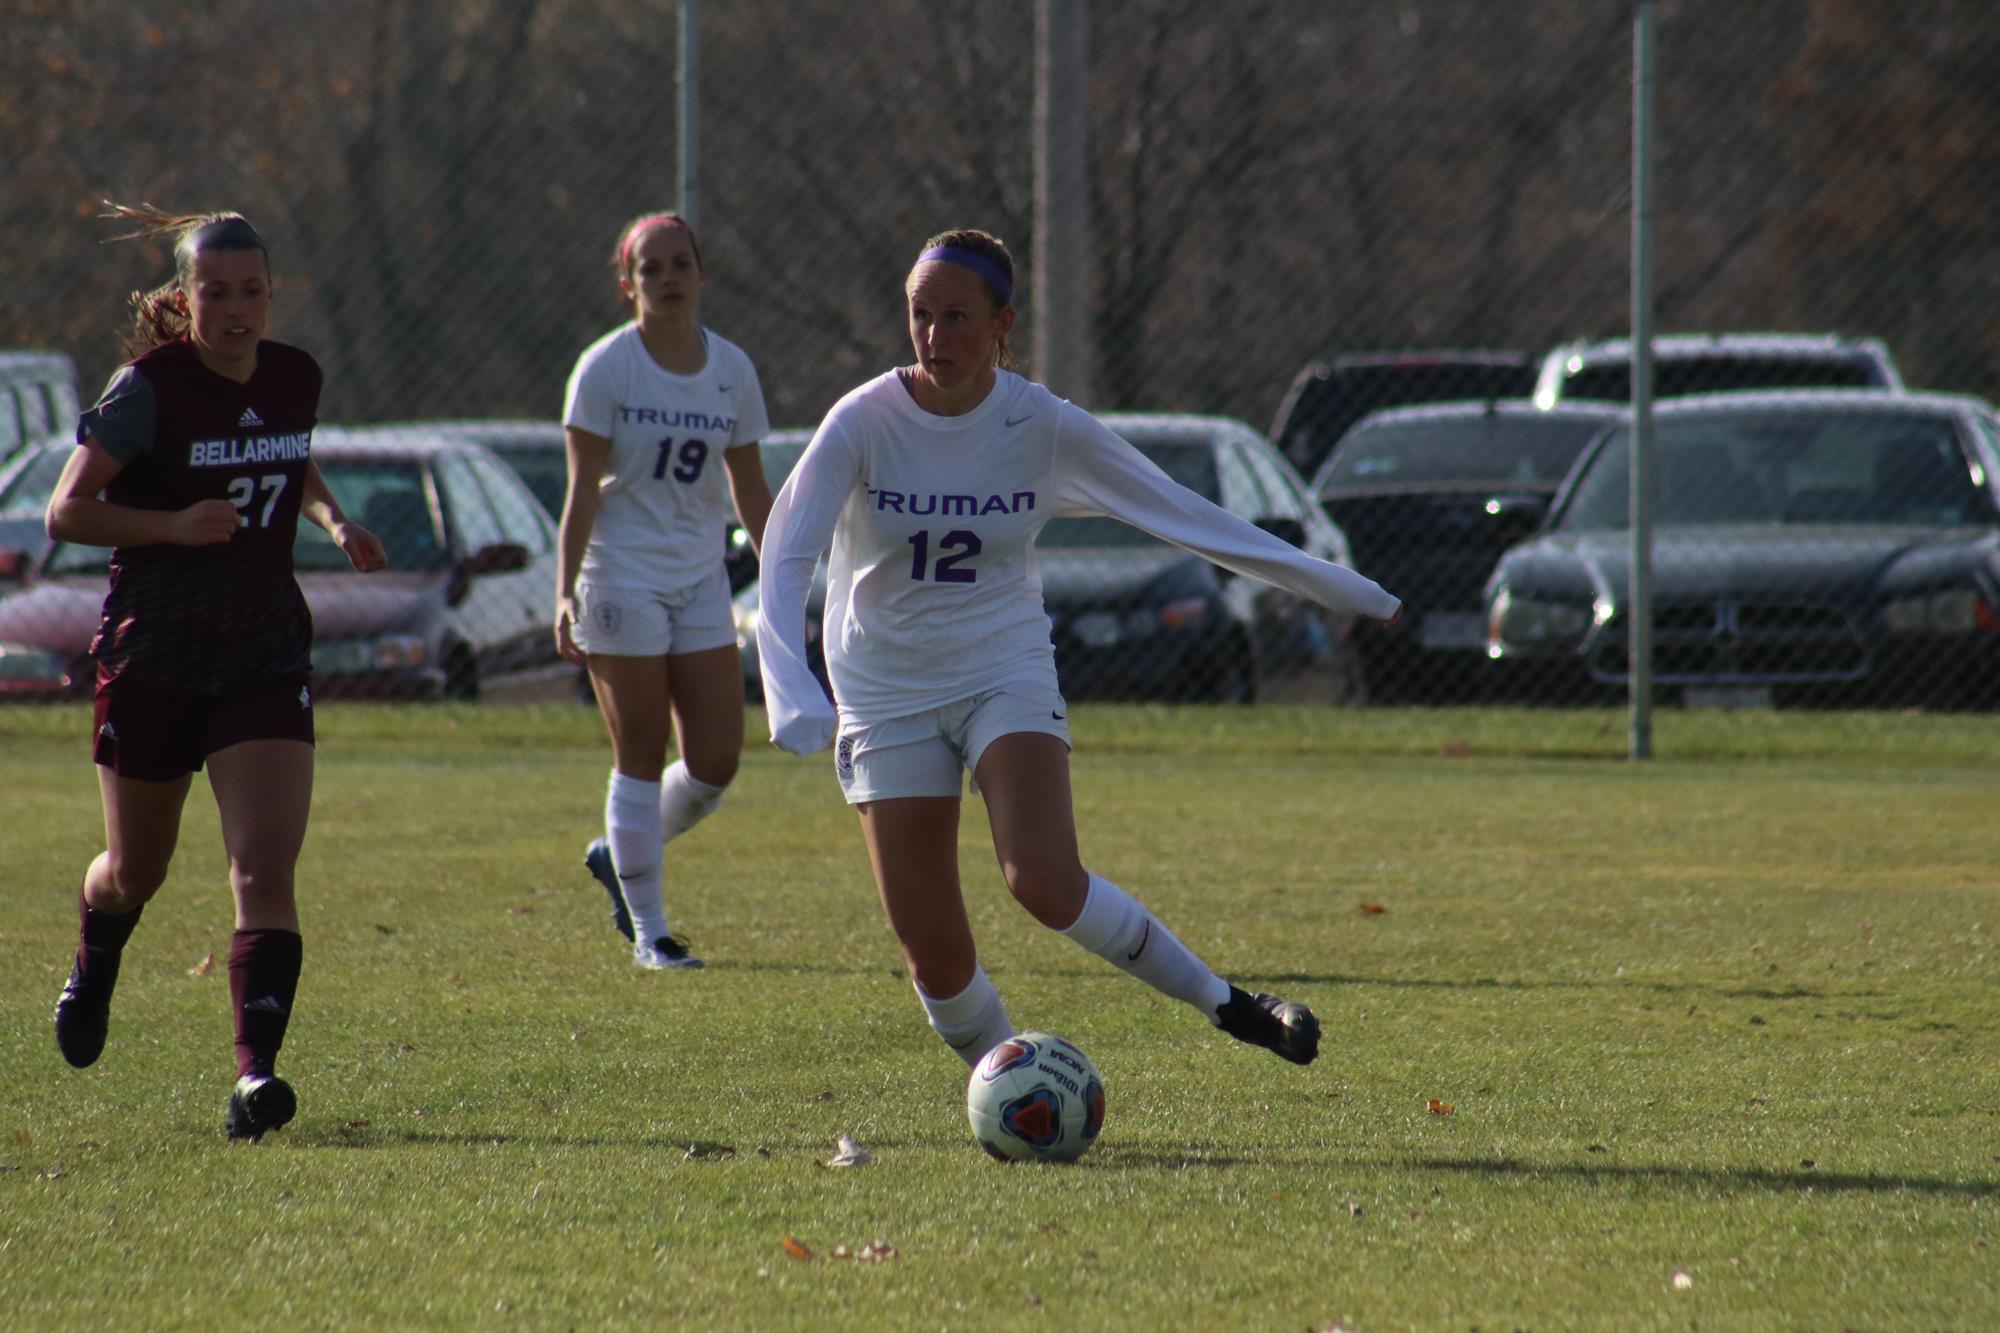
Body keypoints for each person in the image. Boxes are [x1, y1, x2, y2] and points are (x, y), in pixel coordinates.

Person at [756, 229, 1404, 1072]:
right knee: (938, 960)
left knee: (1044, 879)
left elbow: (1184, 513)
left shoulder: (1040, 425)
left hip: (1002, 666)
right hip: (885, 688)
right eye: (921, 316)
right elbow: (785, 550)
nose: (935, 337)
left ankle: (1232, 1005)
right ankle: (1016, 1085)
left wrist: (1342, 585)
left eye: (958, 317)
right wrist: (789, 686)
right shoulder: (863, 420)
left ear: (1002, 325)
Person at [47, 203, 388, 1141]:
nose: (235, 309)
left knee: (263, 867)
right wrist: (169, 525)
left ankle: (255, 1078)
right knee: (134, 869)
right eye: (215, 292)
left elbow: (287, 454)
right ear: (184, 298)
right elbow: (66, 514)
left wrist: (331, 521)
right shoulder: (147, 389)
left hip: (263, 653)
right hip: (153, 653)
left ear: (272, 294)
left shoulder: (294, 377)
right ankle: (96, 951)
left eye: (251, 291)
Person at [555, 211, 774, 969]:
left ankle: (621, 848)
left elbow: (750, 488)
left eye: (682, 263)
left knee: (716, 759)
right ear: (628, 285)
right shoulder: (606, 368)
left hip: (699, 576)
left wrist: (785, 571)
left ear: (702, 274)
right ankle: (651, 932)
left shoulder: (732, 369)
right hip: (620, 575)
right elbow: (580, 491)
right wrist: (563, 591)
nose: (670, 278)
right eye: (652, 268)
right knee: (640, 754)